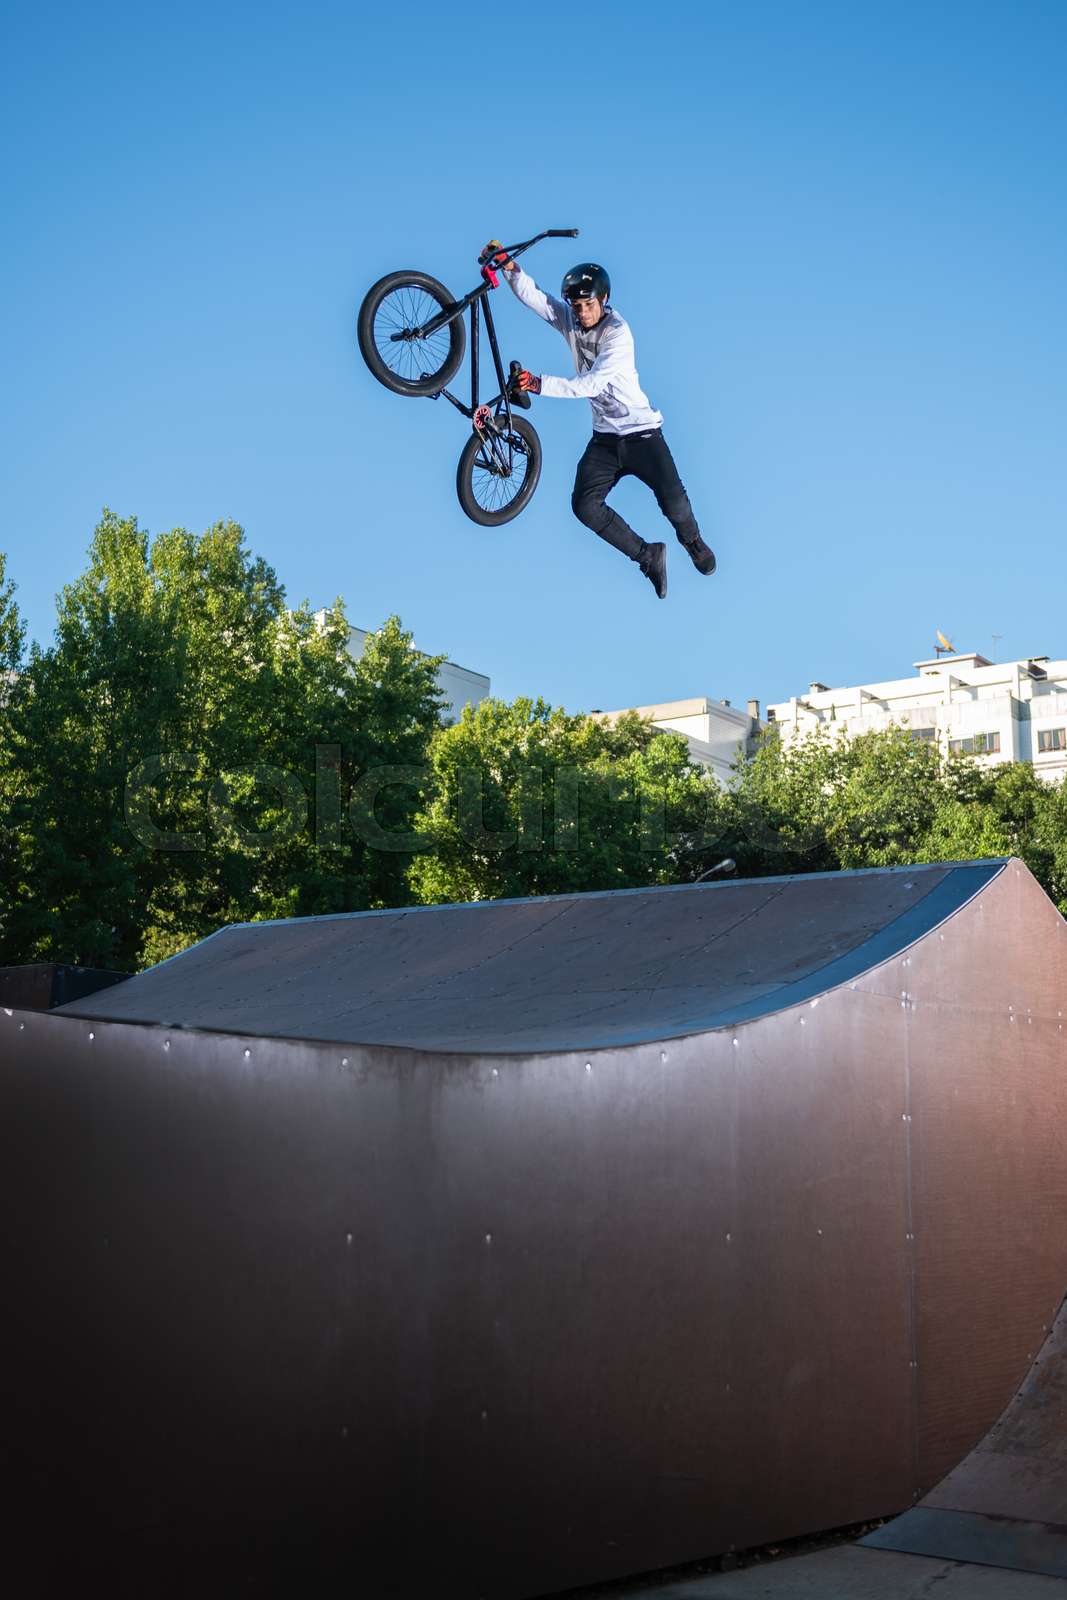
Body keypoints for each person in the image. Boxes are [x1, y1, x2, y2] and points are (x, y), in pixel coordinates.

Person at [481, 241, 716, 599]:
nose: (581, 312)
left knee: (675, 504)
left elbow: (590, 384)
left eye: (588, 305)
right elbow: (538, 300)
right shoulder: (571, 321)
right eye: (576, 306)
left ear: (603, 300)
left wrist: (538, 383)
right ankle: (648, 556)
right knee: (584, 506)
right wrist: (510, 267)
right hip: (605, 440)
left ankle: (693, 541)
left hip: (642, 435)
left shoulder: (618, 334)